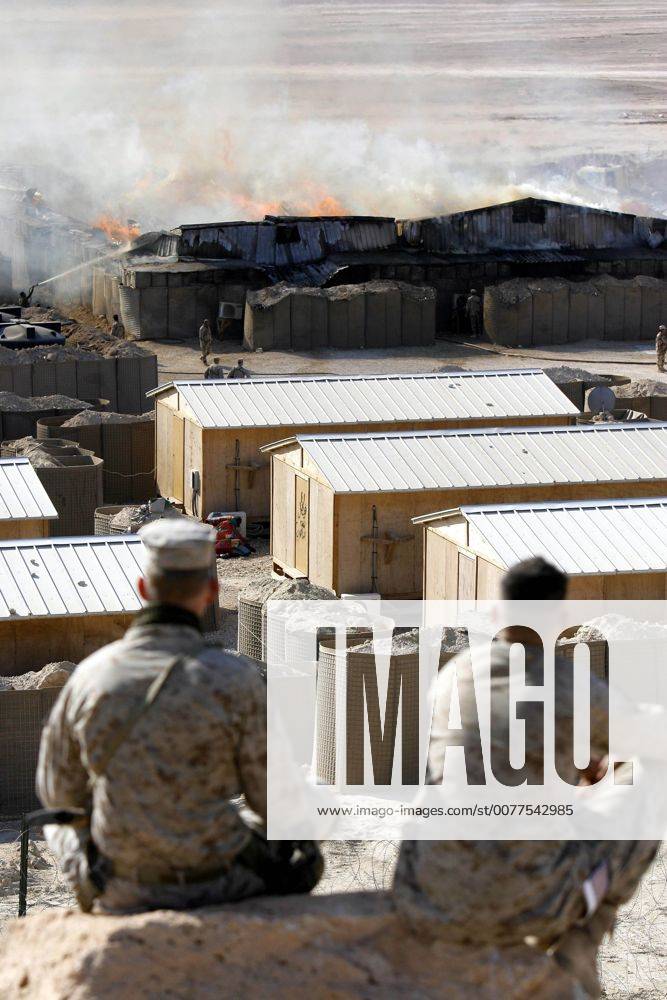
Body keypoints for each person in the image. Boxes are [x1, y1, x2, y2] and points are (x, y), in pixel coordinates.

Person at [393, 557, 659, 998]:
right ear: (561, 620)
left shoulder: (451, 675)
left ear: (497, 613)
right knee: (651, 777)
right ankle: (580, 947)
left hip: (428, 889)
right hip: (531, 903)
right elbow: (651, 738)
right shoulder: (571, 685)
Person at [36, 519, 323, 914]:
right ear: (211, 592)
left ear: (142, 589)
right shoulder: (235, 680)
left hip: (122, 887)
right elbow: (277, 801)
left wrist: (92, 864)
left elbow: (58, 797)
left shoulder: (89, 677)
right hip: (219, 885)